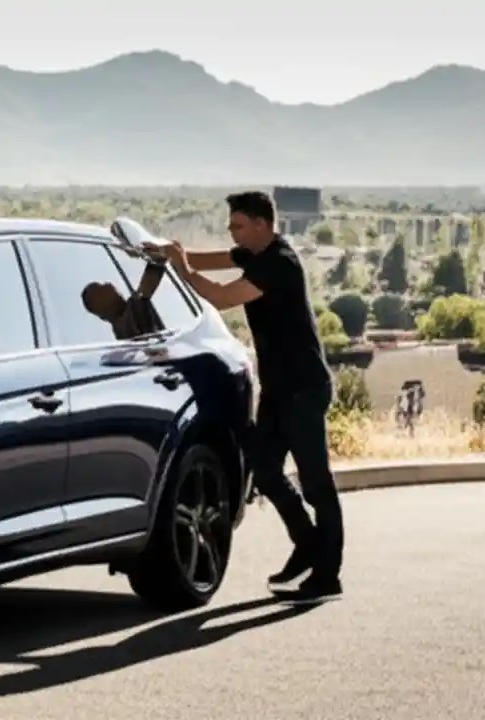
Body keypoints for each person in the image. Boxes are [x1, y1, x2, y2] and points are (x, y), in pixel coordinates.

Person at [143, 190, 344, 603]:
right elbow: (205, 260)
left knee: (316, 483)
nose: (231, 232)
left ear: (261, 224)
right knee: (265, 472)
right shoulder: (252, 253)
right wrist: (170, 252)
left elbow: (221, 297)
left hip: (305, 390)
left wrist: (181, 268)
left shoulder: (279, 264)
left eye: (237, 225)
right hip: (278, 389)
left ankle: (328, 574)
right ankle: (307, 542)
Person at [81, 255, 166, 341]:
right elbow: (158, 262)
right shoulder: (130, 316)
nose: (109, 284)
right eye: (101, 289)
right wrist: (156, 253)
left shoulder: (122, 338)